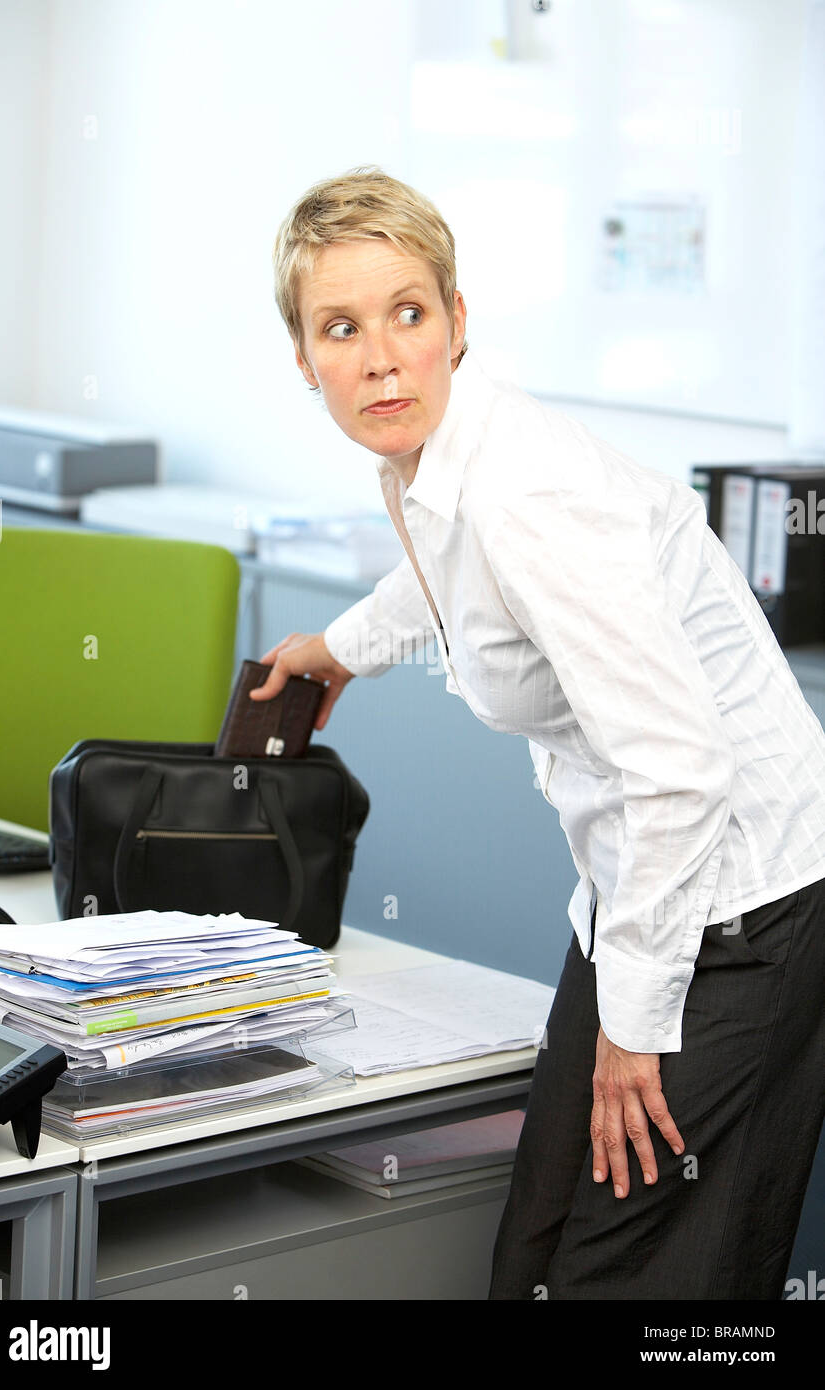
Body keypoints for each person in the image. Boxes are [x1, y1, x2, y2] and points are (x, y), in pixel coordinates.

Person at [254, 164, 825, 1300]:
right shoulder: (427, 466)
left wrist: (636, 1026)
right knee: (532, 1255)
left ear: (456, 325)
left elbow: (677, 769)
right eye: (340, 327)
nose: (377, 356)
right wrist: (341, 647)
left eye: (407, 314)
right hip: (639, 892)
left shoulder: (528, 494)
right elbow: (449, 582)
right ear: (303, 357)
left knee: (639, 1270)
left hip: (741, 902)